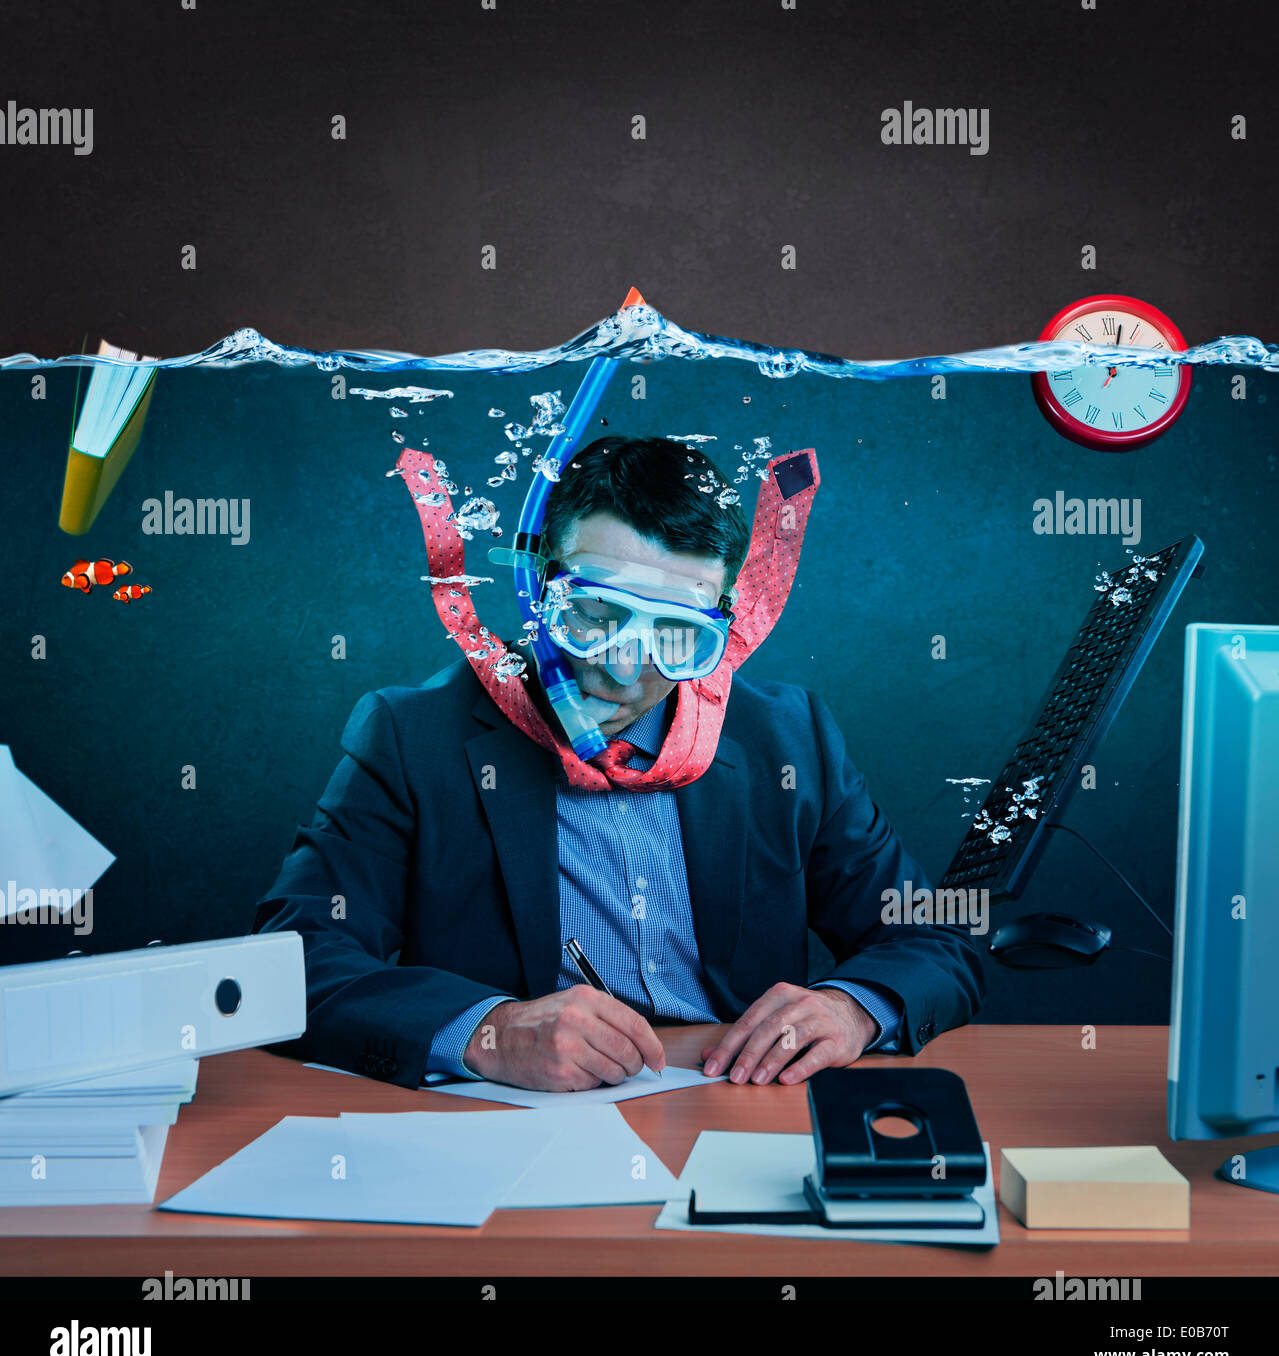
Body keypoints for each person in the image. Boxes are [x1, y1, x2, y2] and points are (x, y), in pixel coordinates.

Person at [254, 435, 984, 1091]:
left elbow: (932, 934)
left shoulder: (788, 739)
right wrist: (484, 1031)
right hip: (506, 1121)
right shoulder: (413, 737)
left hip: (739, 1109)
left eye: (676, 635)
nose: (623, 669)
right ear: (536, 587)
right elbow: (293, 960)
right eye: (594, 618)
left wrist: (851, 1007)